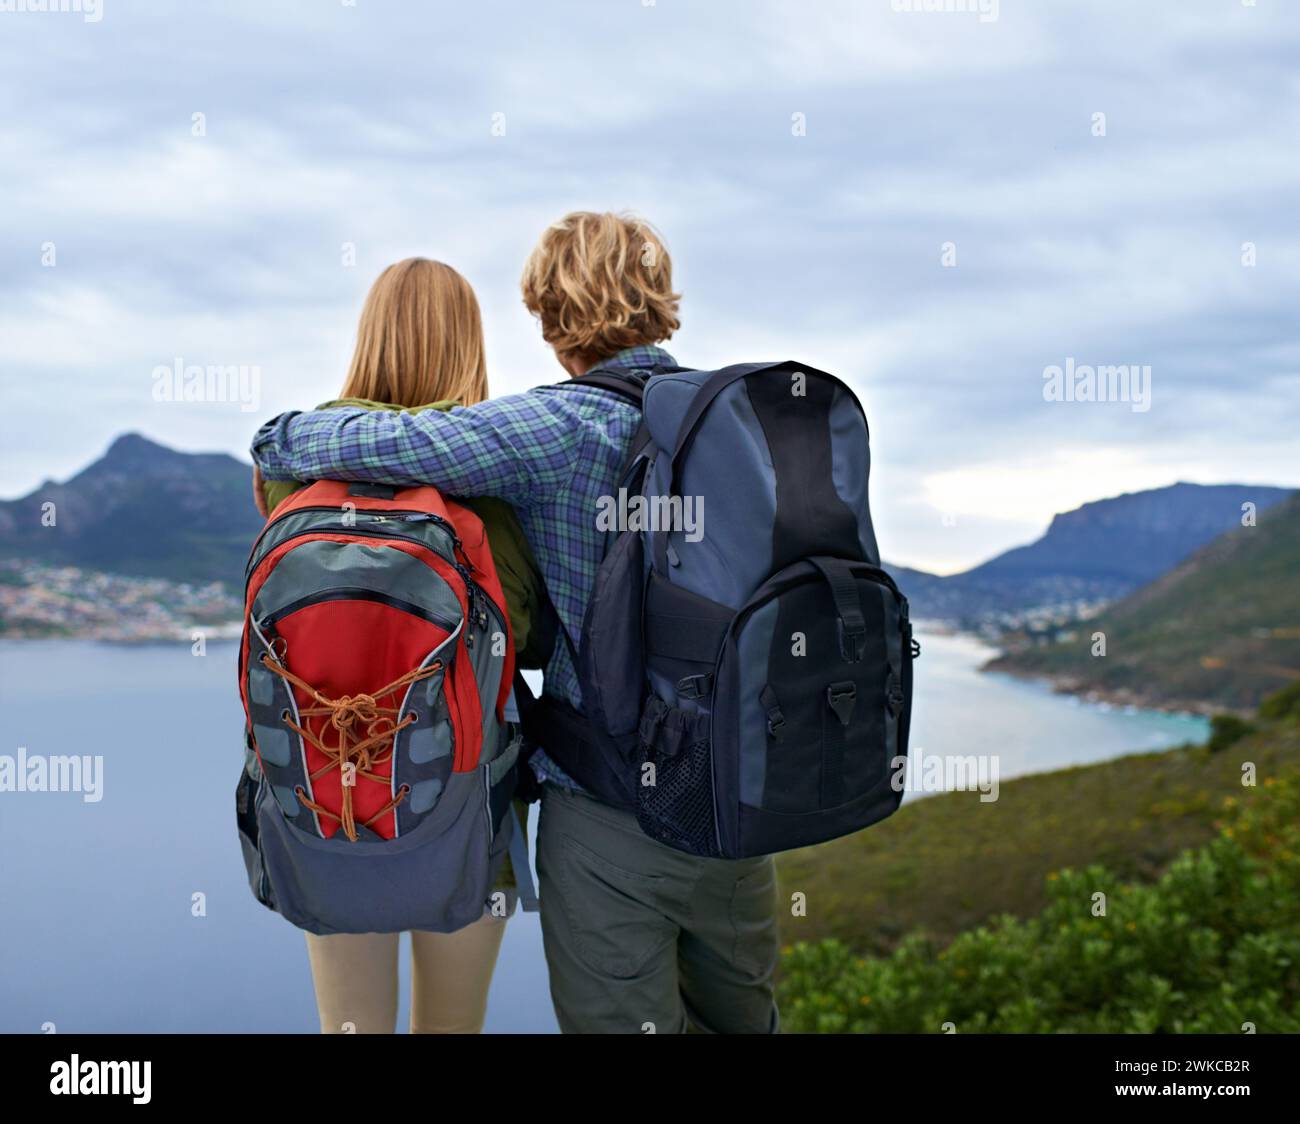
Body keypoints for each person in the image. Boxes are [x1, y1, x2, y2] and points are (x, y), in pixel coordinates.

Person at [251, 211, 779, 1034]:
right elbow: (523, 630)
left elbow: (404, 453)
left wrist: (278, 433)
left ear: (546, 313)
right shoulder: (736, 421)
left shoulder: (534, 432)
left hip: (352, 800)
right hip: (721, 798)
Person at [253, 257, 546, 1034]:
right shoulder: (491, 479)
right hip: (468, 800)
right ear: (470, 346)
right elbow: (528, 635)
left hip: (321, 798)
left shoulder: (294, 462)